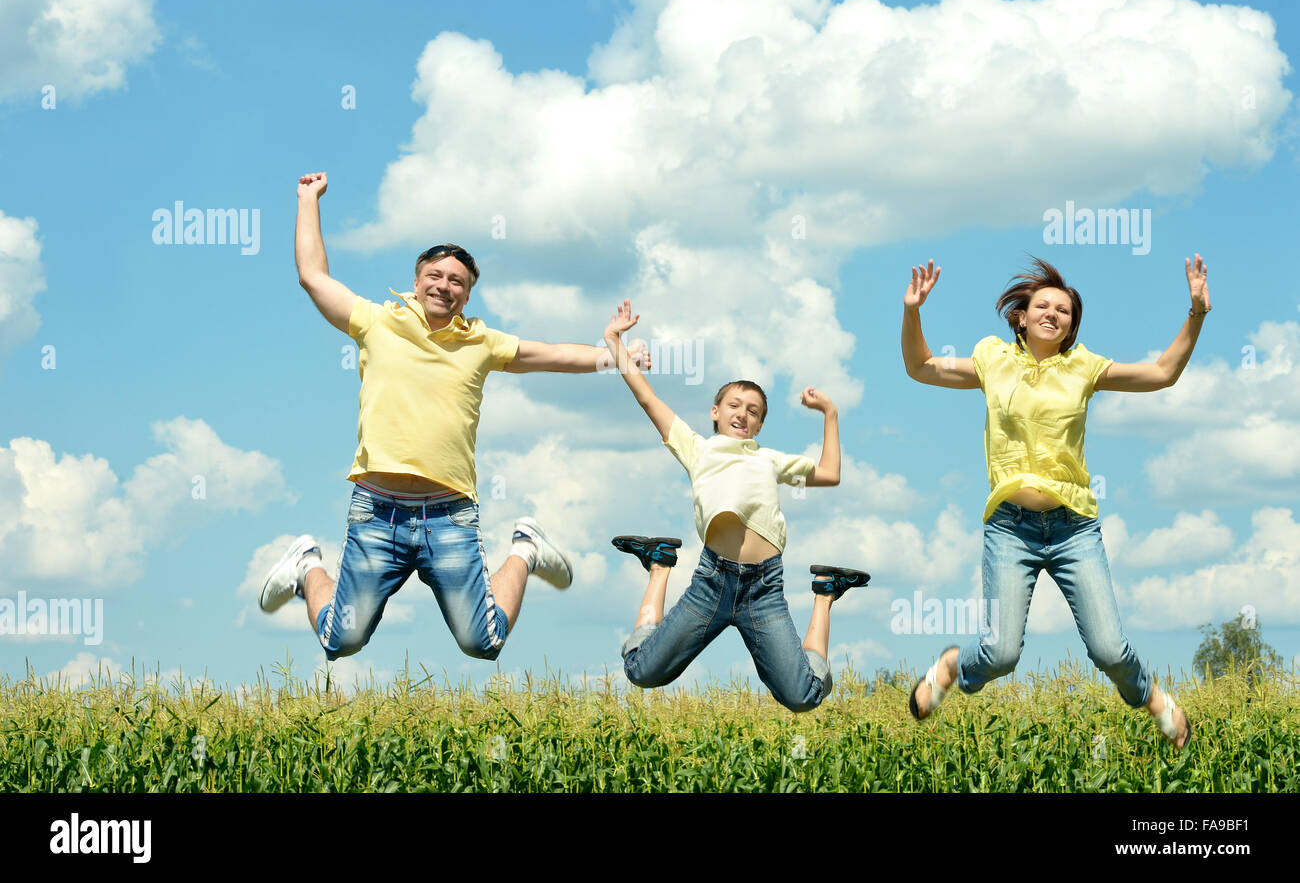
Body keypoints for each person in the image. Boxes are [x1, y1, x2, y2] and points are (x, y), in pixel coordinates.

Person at [257, 171, 645, 664]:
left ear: (467, 294)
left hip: (449, 516)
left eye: (457, 282)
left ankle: (525, 550)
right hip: (377, 512)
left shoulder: (480, 341)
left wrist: (612, 355)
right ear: (416, 282)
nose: (445, 286)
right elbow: (313, 276)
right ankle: (308, 565)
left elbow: (548, 354)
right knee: (341, 640)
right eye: (435, 277)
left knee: (482, 643)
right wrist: (307, 198)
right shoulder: (377, 322)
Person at [901, 255, 1209, 749]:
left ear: (1071, 325)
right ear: (1021, 317)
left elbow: (1162, 373)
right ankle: (956, 665)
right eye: (1042, 305)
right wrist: (913, 311)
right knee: (999, 655)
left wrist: (1196, 313)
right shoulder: (992, 359)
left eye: (1063, 310)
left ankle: (1153, 699)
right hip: (1010, 527)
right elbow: (920, 366)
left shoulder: (1084, 367)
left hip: (1073, 528)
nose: (1052, 313)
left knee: (1109, 649)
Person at [604, 300, 869, 712]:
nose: (742, 415)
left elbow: (830, 473)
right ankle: (659, 565)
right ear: (714, 412)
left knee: (803, 697)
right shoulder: (697, 448)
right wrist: (613, 340)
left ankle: (825, 594)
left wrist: (830, 413)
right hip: (711, 583)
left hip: (763, 588)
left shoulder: (769, 459)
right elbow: (647, 399)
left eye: (753, 411)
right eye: (733, 405)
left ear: (760, 425)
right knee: (642, 671)